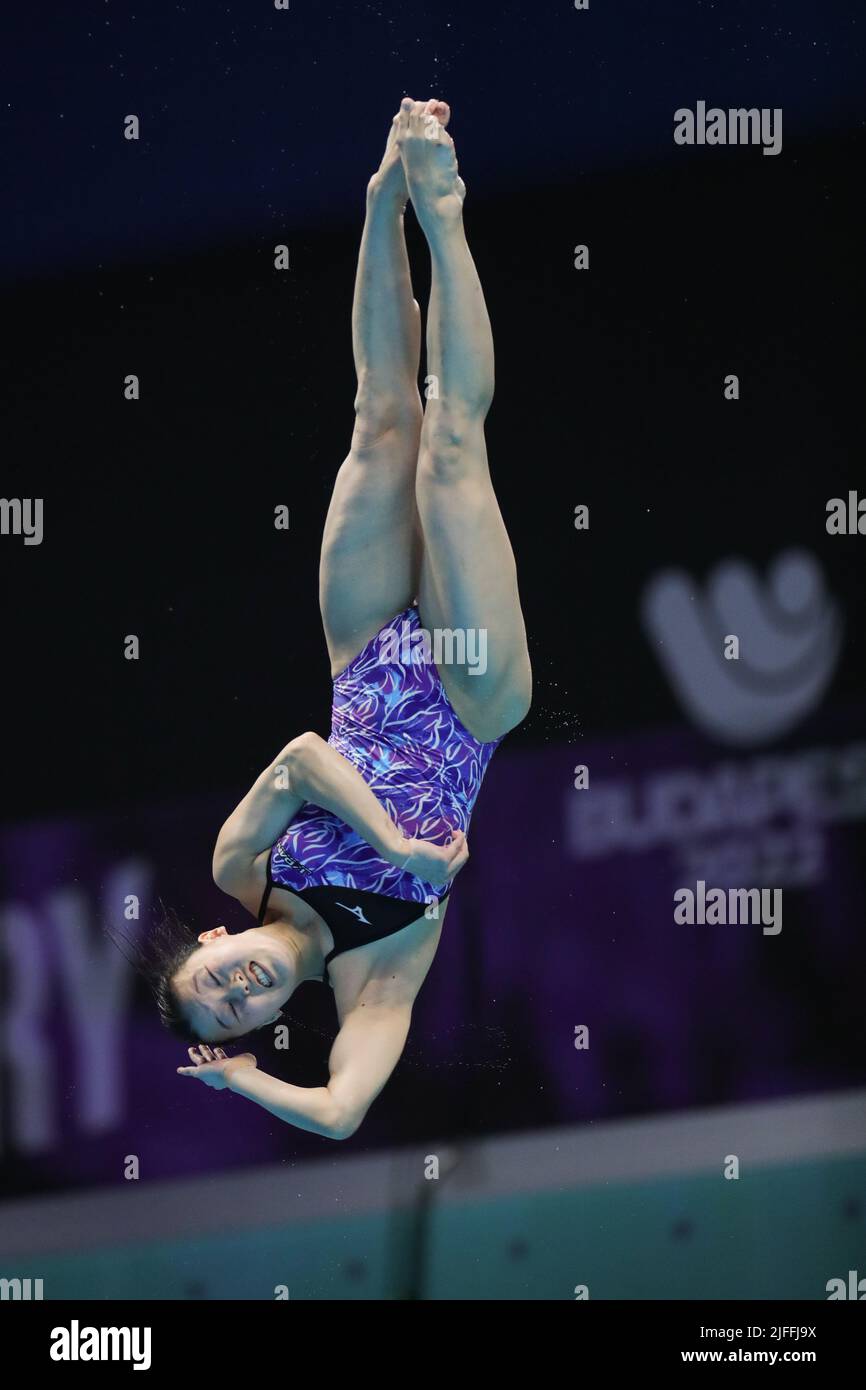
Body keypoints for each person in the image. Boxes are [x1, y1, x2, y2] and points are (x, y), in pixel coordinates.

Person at [166, 98, 531, 1138]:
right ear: (273, 1014)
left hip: (363, 657)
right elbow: (339, 1111)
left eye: (212, 979)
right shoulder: (376, 978)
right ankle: (445, 209)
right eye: (239, 1010)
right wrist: (243, 1080)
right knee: (451, 444)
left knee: (382, 417)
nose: (236, 990)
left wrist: (395, 847)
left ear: (205, 937)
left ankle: (383, 190)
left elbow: (303, 760)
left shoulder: (240, 867)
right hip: (470, 696)